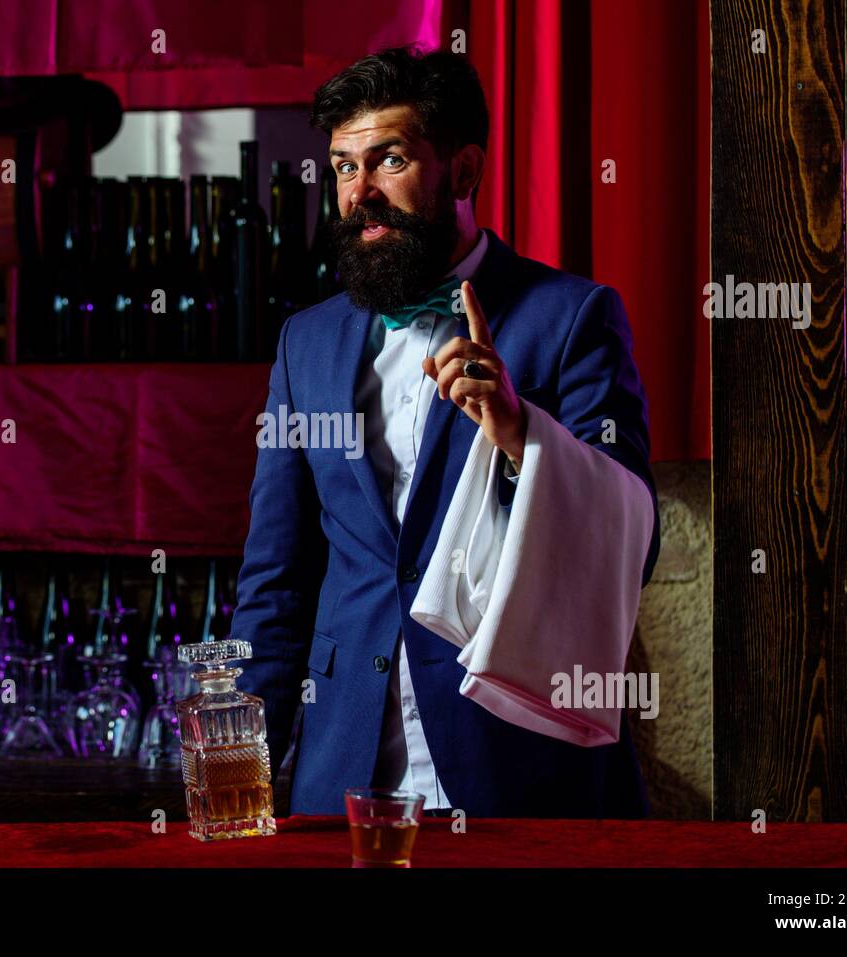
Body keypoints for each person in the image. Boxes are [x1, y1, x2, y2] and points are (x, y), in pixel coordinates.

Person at [231, 45, 660, 818]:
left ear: (463, 172)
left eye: (388, 159)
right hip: (342, 772)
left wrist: (522, 436)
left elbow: (636, 539)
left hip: (518, 768)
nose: (358, 192)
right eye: (341, 167)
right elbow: (276, 574)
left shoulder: (571, 318)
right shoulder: (307, 343)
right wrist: (243, 761)